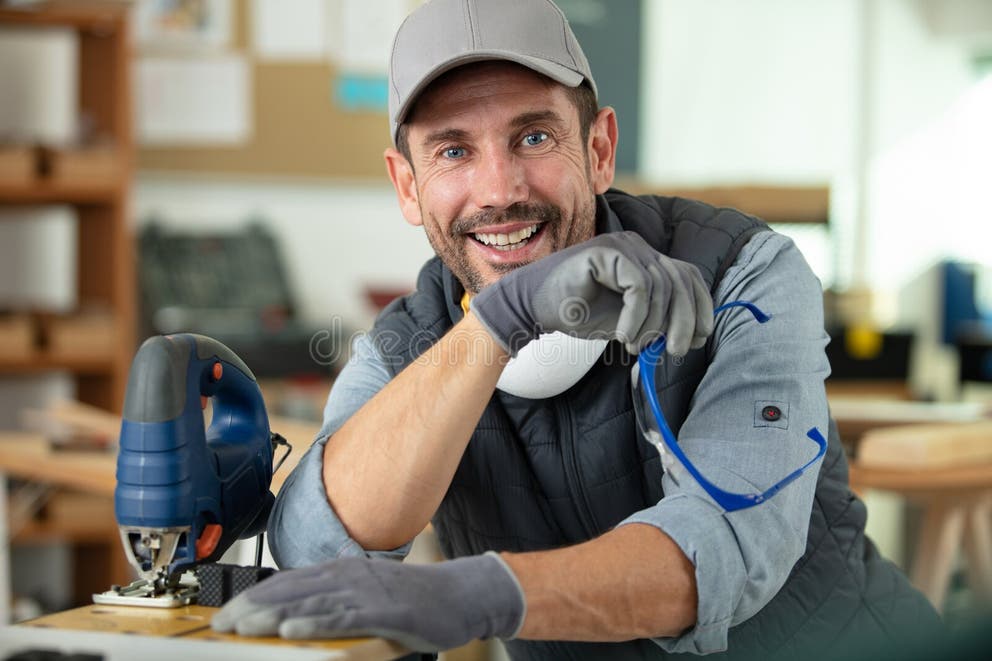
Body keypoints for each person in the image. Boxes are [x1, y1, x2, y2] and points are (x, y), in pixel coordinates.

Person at [212, 0, 943, 658]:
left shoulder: (746, 273)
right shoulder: (406, 345)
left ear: (597, 150)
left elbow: (728, 548)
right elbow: (311, 550)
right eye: (453, 150)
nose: (500, 191)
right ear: (407, 185)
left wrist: (477, 594)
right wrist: (497, 322)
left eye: (533, 137)